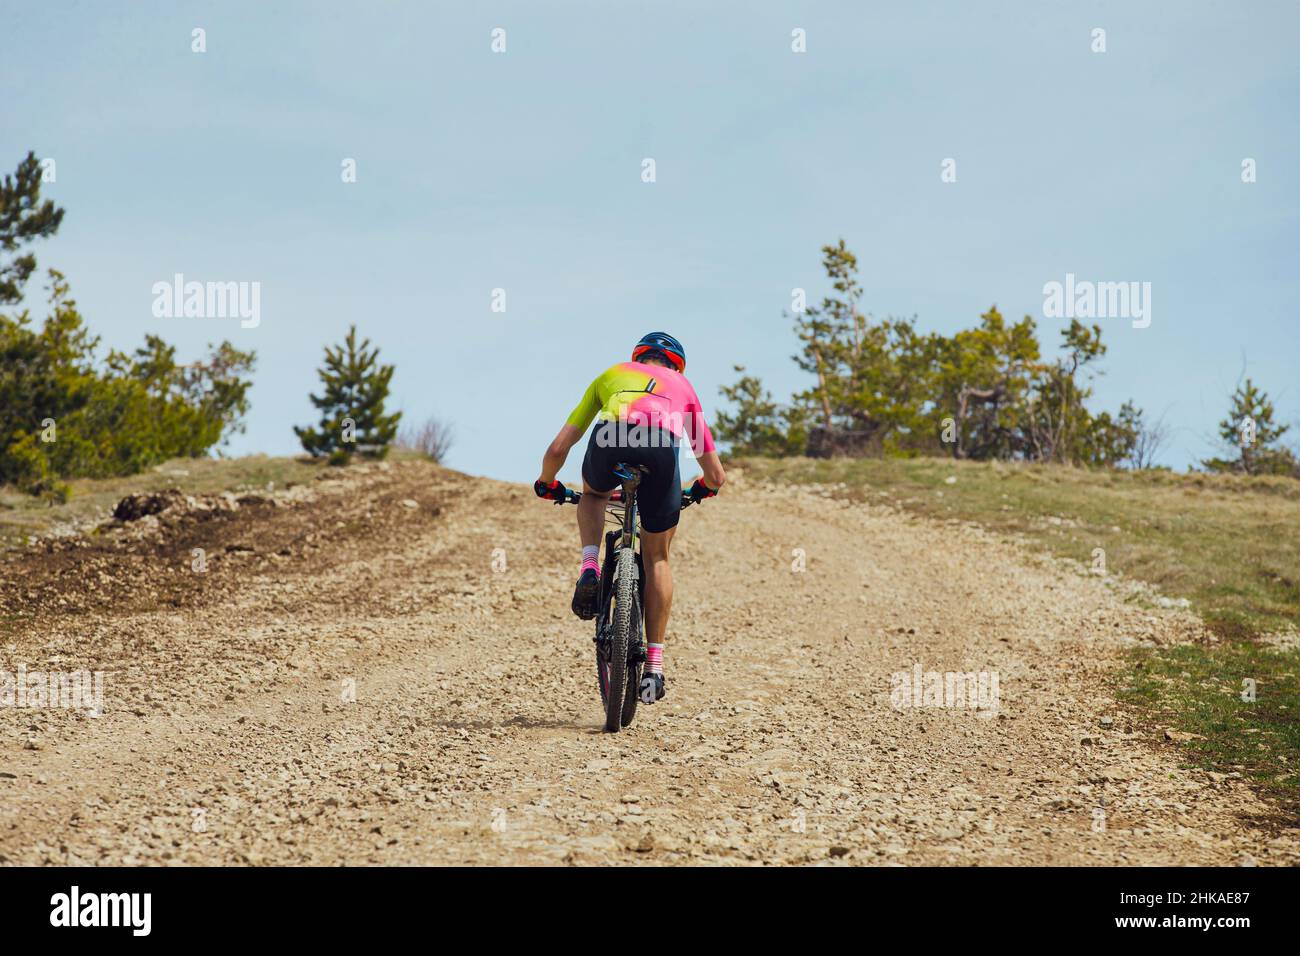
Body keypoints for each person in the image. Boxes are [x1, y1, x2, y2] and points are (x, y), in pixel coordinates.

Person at [534, 332, 726, 702]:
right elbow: (716, 475)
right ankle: (654, 666)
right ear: (676, 365)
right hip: (661, 452)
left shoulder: (611, 374)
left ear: (638, 359)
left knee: (593, 495)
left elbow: (560, 446)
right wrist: (700, 489)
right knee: (657, 557)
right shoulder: (683, 387)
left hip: (610, 440)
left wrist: (547, 483)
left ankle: (590, 566)